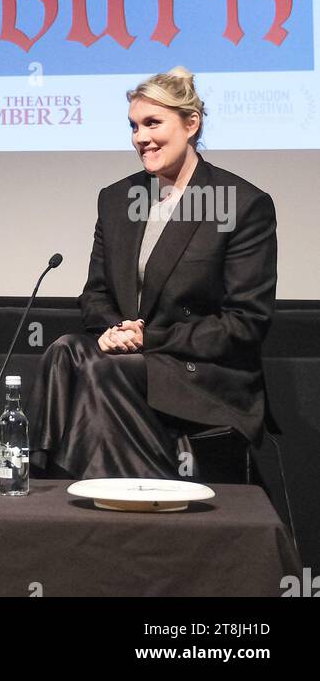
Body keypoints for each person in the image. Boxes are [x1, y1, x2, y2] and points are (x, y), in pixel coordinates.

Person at [27, 67, 277, 480]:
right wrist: (114, 329)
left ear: (191, 124)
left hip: (203, 372)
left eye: (152, 123)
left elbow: (245, 325)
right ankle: (46, 492)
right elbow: (96, 294)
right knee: (64, 352)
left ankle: (126, 500)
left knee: (101, 369)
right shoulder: (117, 199)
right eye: (133, 126)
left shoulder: (241, 204)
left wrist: (149, 339)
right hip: (136, 356)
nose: (140, 137)